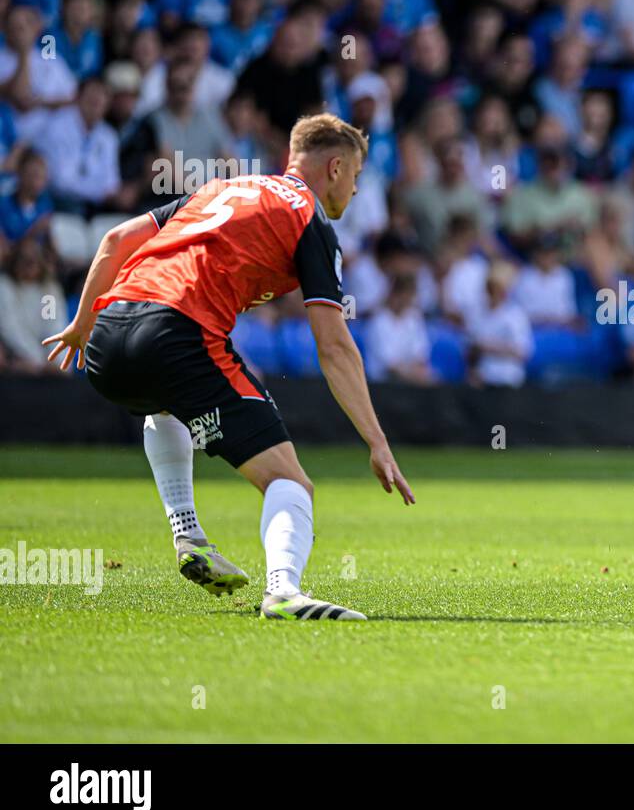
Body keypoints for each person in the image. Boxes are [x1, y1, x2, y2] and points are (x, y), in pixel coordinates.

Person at [41, 113, 414, 621]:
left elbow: (114, 241)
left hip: (108, 338)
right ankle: (283, 591)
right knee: (291, 483)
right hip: (176, 332)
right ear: (334, 168)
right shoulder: (310, 218)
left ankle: (188, 535)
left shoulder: (222, 187)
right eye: (356, 176)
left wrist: (81, 324)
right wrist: (377, 440)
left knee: (164, 404)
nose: (354, 188)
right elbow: (334, 346)